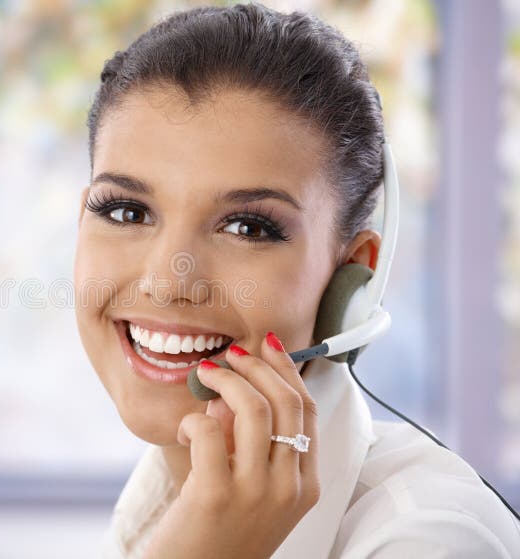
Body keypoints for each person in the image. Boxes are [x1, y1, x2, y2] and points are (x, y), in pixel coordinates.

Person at [72, 2, 520, 557]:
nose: (167, 282)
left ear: (353, 274)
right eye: (127, 211)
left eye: (247, 227)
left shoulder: (432, 537)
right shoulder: (158, 498)